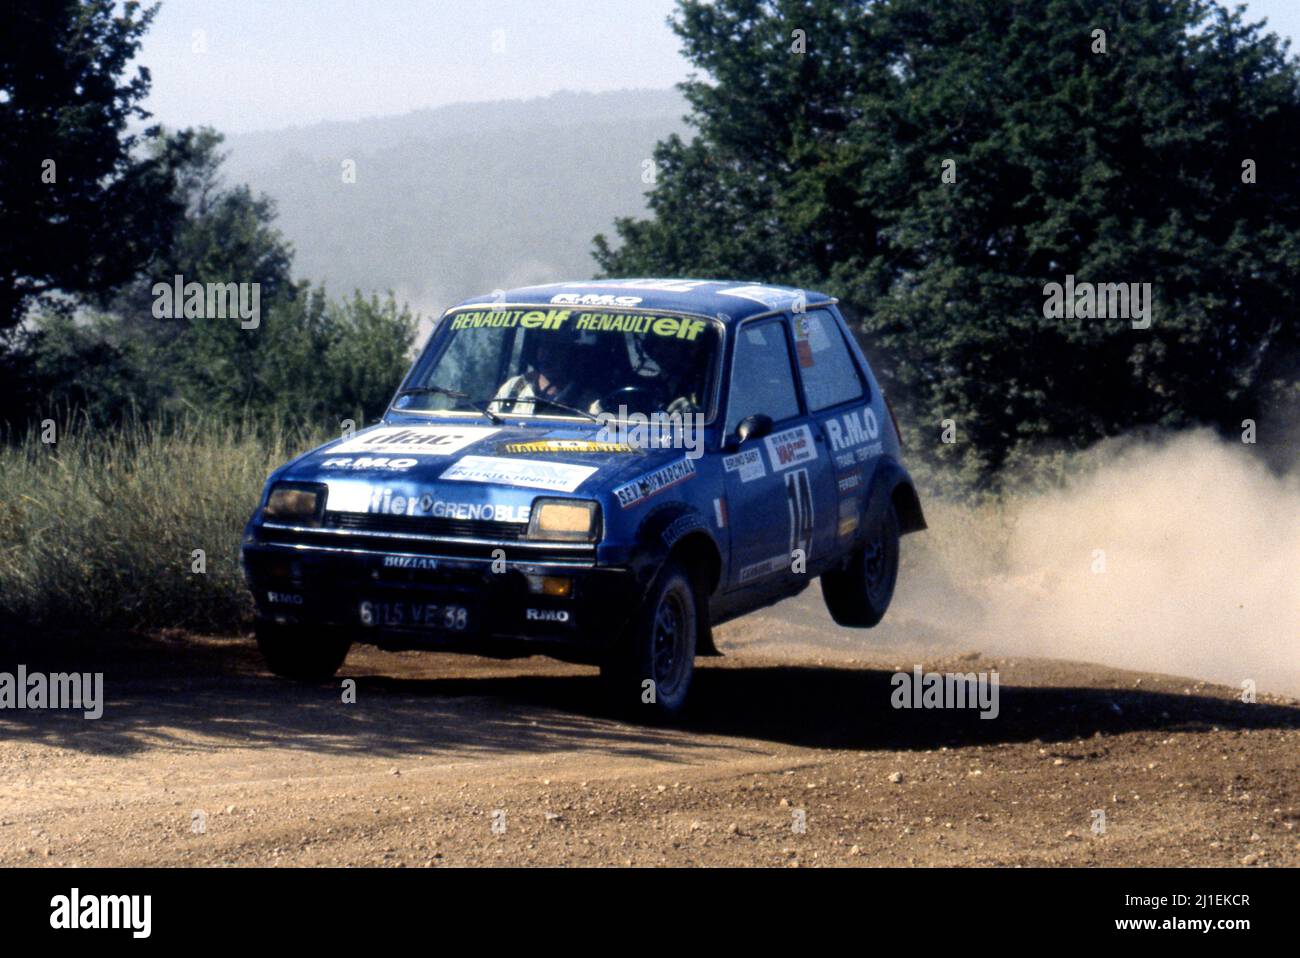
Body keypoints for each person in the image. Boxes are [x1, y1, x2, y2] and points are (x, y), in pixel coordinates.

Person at [494, 330, 600, 415]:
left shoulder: (587, 399)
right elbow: (491, 420)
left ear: (570, 354)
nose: (548, 356)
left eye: (557, 349)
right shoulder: (515, 386)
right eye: (544, 347)